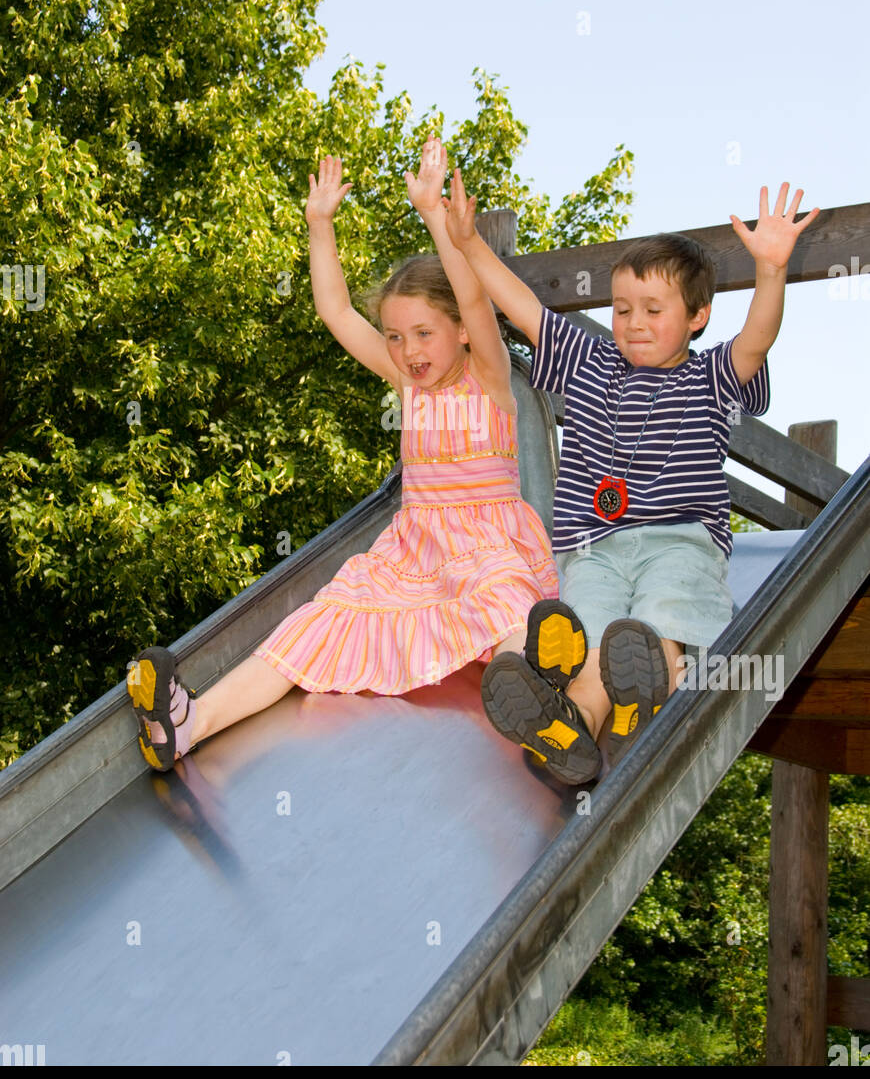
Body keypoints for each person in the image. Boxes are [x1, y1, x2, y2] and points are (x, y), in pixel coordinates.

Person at [126, 137, 560, 770]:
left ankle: (538, 702)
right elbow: (334, 310)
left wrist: (435, 215)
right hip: (411, 550)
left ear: (461, 333)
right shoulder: (409, 385)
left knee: (505, 611)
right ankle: (189, 724)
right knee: (316, 622)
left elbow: (473, 297)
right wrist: (319, 224)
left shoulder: (488, 380)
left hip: (488, 545)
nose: (409, 350)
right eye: (395, 336)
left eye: (423, 333)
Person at [442, 173, 820, 783]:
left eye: (652, 309)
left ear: (697, 316)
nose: (633, 322)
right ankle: (571, 731)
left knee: (657, 618)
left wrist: (771, 271)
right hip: (592, 548)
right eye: (620, 309)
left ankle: (649, 689)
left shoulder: (712, 377)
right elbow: (521, 307)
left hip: (680, 541)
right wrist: (467, 243)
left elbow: (757, 338)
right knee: (589, 645)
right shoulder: (589, 361)